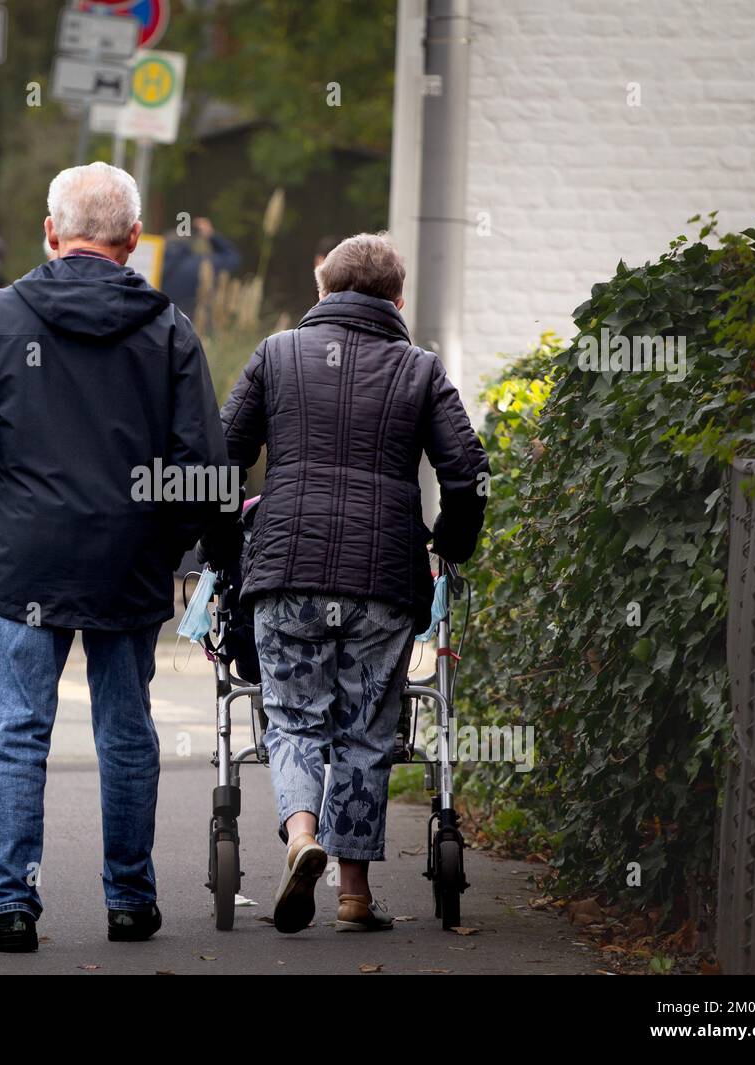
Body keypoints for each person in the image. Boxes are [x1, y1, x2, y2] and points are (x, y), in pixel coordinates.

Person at [0, 162, 228, 953]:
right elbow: (203, 464)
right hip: (128, 559)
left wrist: (19, 488)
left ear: (51, 234)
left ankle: (12, 907)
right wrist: (166, 539)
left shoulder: (0, 315)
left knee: (16, 730)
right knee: (127, 730)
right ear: (132, 243)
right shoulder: (169, 329)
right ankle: (130, 899)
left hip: (27, 558)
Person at [203, 233, 489, 934]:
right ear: (397, 299)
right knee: (365, 733)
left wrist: (223, 549)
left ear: (323, 291)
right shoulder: (421, 370)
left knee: (294, 717)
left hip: (286, 570)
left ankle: (303, 836)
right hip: (383, 580)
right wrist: (448, 545)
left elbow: (220, 459)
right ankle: (353, 892)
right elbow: (468, 473)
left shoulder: (276, 354)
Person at [160, 216, 241, 318]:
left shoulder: (152, 268)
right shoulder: (203, 264)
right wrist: (211, 235)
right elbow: (233, 257)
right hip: (196, 324)